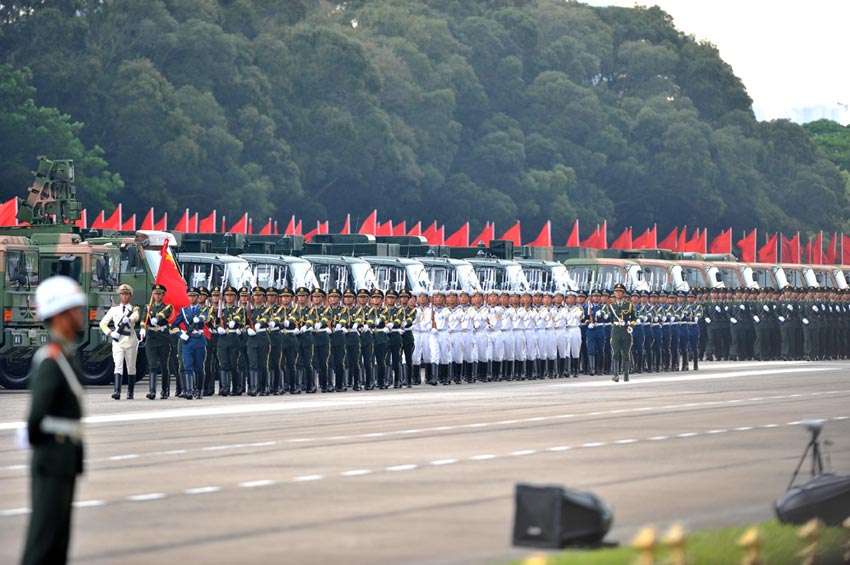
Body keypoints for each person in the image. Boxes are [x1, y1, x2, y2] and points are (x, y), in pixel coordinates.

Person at [22, 276, 87, 565]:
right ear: (60, 314)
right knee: (44, 538)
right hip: (51, 455)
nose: (80, 314)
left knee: (58, 538)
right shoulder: (51, 359)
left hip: (64, 456)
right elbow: (36, 417)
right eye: (75, 309)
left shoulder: (67, 355)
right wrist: (47, 448)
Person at [99, 283, 140, 399]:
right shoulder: (114, 309)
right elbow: (102, 323)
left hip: (130, 340)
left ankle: (130, 392)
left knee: (131, 366)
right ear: (119, 296)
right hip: (118, 341)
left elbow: (136, 317)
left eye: (127, 294)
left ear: (130, 296)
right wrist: (111, 333)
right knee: (118, 365)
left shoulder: (134, 309)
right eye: (122, 294)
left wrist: (129, 318)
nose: (124, 296)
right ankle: (117, 391)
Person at [171, 287, 208, 399]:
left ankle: (199, 390)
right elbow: (174, 325)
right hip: (187, 341)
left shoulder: (202, 309)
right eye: (190, 296)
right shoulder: (184, 310)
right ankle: (189, 390)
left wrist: (200, 319)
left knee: (199, 367)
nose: (191, 298)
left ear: (198, 297)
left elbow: (206, 317)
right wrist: (180, 334)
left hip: (199, 340)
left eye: (194, 296)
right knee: (187, 366)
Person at [141, 283, 174, 399]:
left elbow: (165, 315)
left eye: (160, 294)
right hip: (151, 338)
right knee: (152, 365)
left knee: (164, 366)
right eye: (155, 294)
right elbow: (143, 319)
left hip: (163, 338)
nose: (157, 296)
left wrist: (157, 318)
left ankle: (165, 390)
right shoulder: (147, 307)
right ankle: (152, 391)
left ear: (163, 295)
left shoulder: (168, 306)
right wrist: (142, 329)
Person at [608, 282, 635, 382]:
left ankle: (626, 374)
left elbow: (633, 318)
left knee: (626, 353)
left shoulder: (629, 305)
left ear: (623, 293)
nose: (618, 293)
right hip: (616, 331)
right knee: (615, 352)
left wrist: (631, 326)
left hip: (625, 331)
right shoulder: (611, 306)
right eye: (616, 291)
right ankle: (615, 374)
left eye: (620, 291)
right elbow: (611, 320)